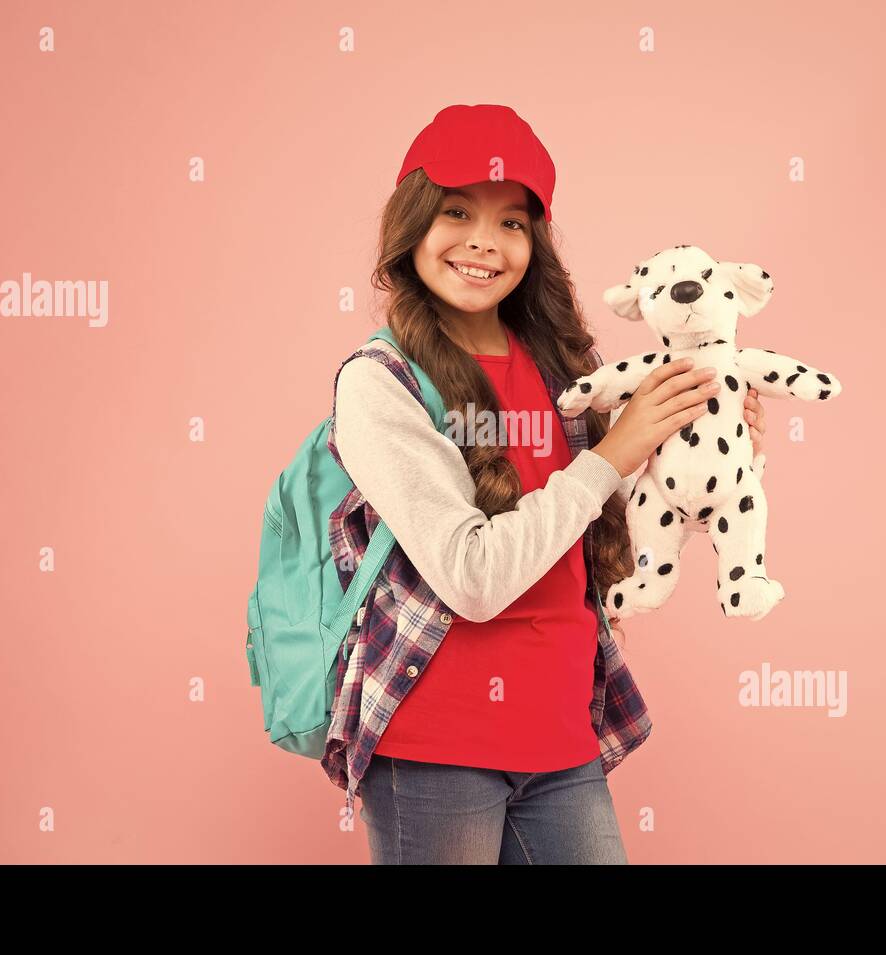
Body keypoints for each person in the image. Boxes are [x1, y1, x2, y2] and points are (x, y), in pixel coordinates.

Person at [323, 104, 767, 864]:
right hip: (437, 747)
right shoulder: (381, 383)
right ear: (413, 224)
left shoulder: (560, 364)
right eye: (456, 212)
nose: (483, 244)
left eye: (513, 222)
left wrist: (695, 451)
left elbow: (605, 519)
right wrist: (612, 455)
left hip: (562, 734)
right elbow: (472, 574)